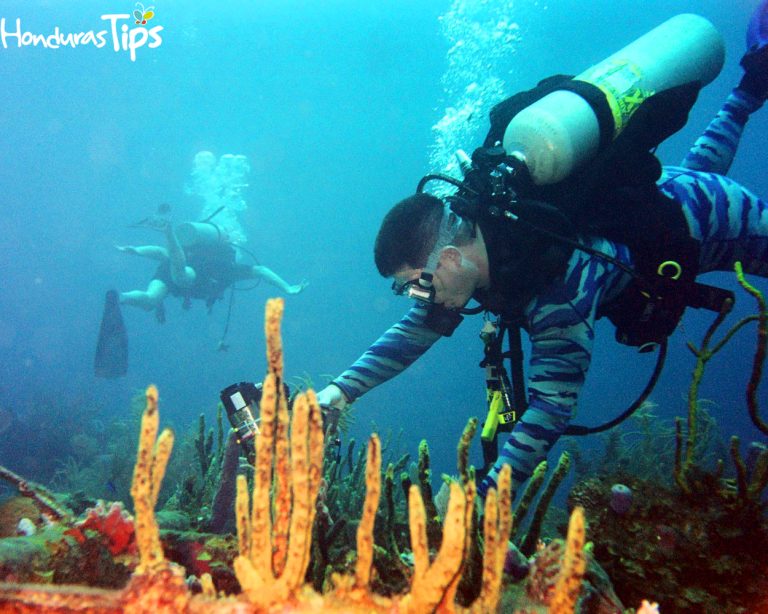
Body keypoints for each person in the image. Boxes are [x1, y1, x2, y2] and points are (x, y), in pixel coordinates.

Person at [316, 12, 768, 499]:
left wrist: (484, 500)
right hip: (662, 199)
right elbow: (414, 332)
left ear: (447, 258)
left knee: (706, 198)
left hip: (721, 220)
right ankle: (750, 88)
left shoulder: (557, 282)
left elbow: (553, 406)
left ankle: (749, 86)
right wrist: (340, 391)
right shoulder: (480, 239)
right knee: (692, 175)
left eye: (416, 284)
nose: (417, 298)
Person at [116, 213, 308, 322]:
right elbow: (261, 270)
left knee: (150, 301)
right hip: (190, 274)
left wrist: (136, 251)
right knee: (182, 274)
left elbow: (161, 253)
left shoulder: (212, 257)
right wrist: (287, 288)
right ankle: (168, 231)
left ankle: (121, 297)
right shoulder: (230, 270)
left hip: (171, 269)